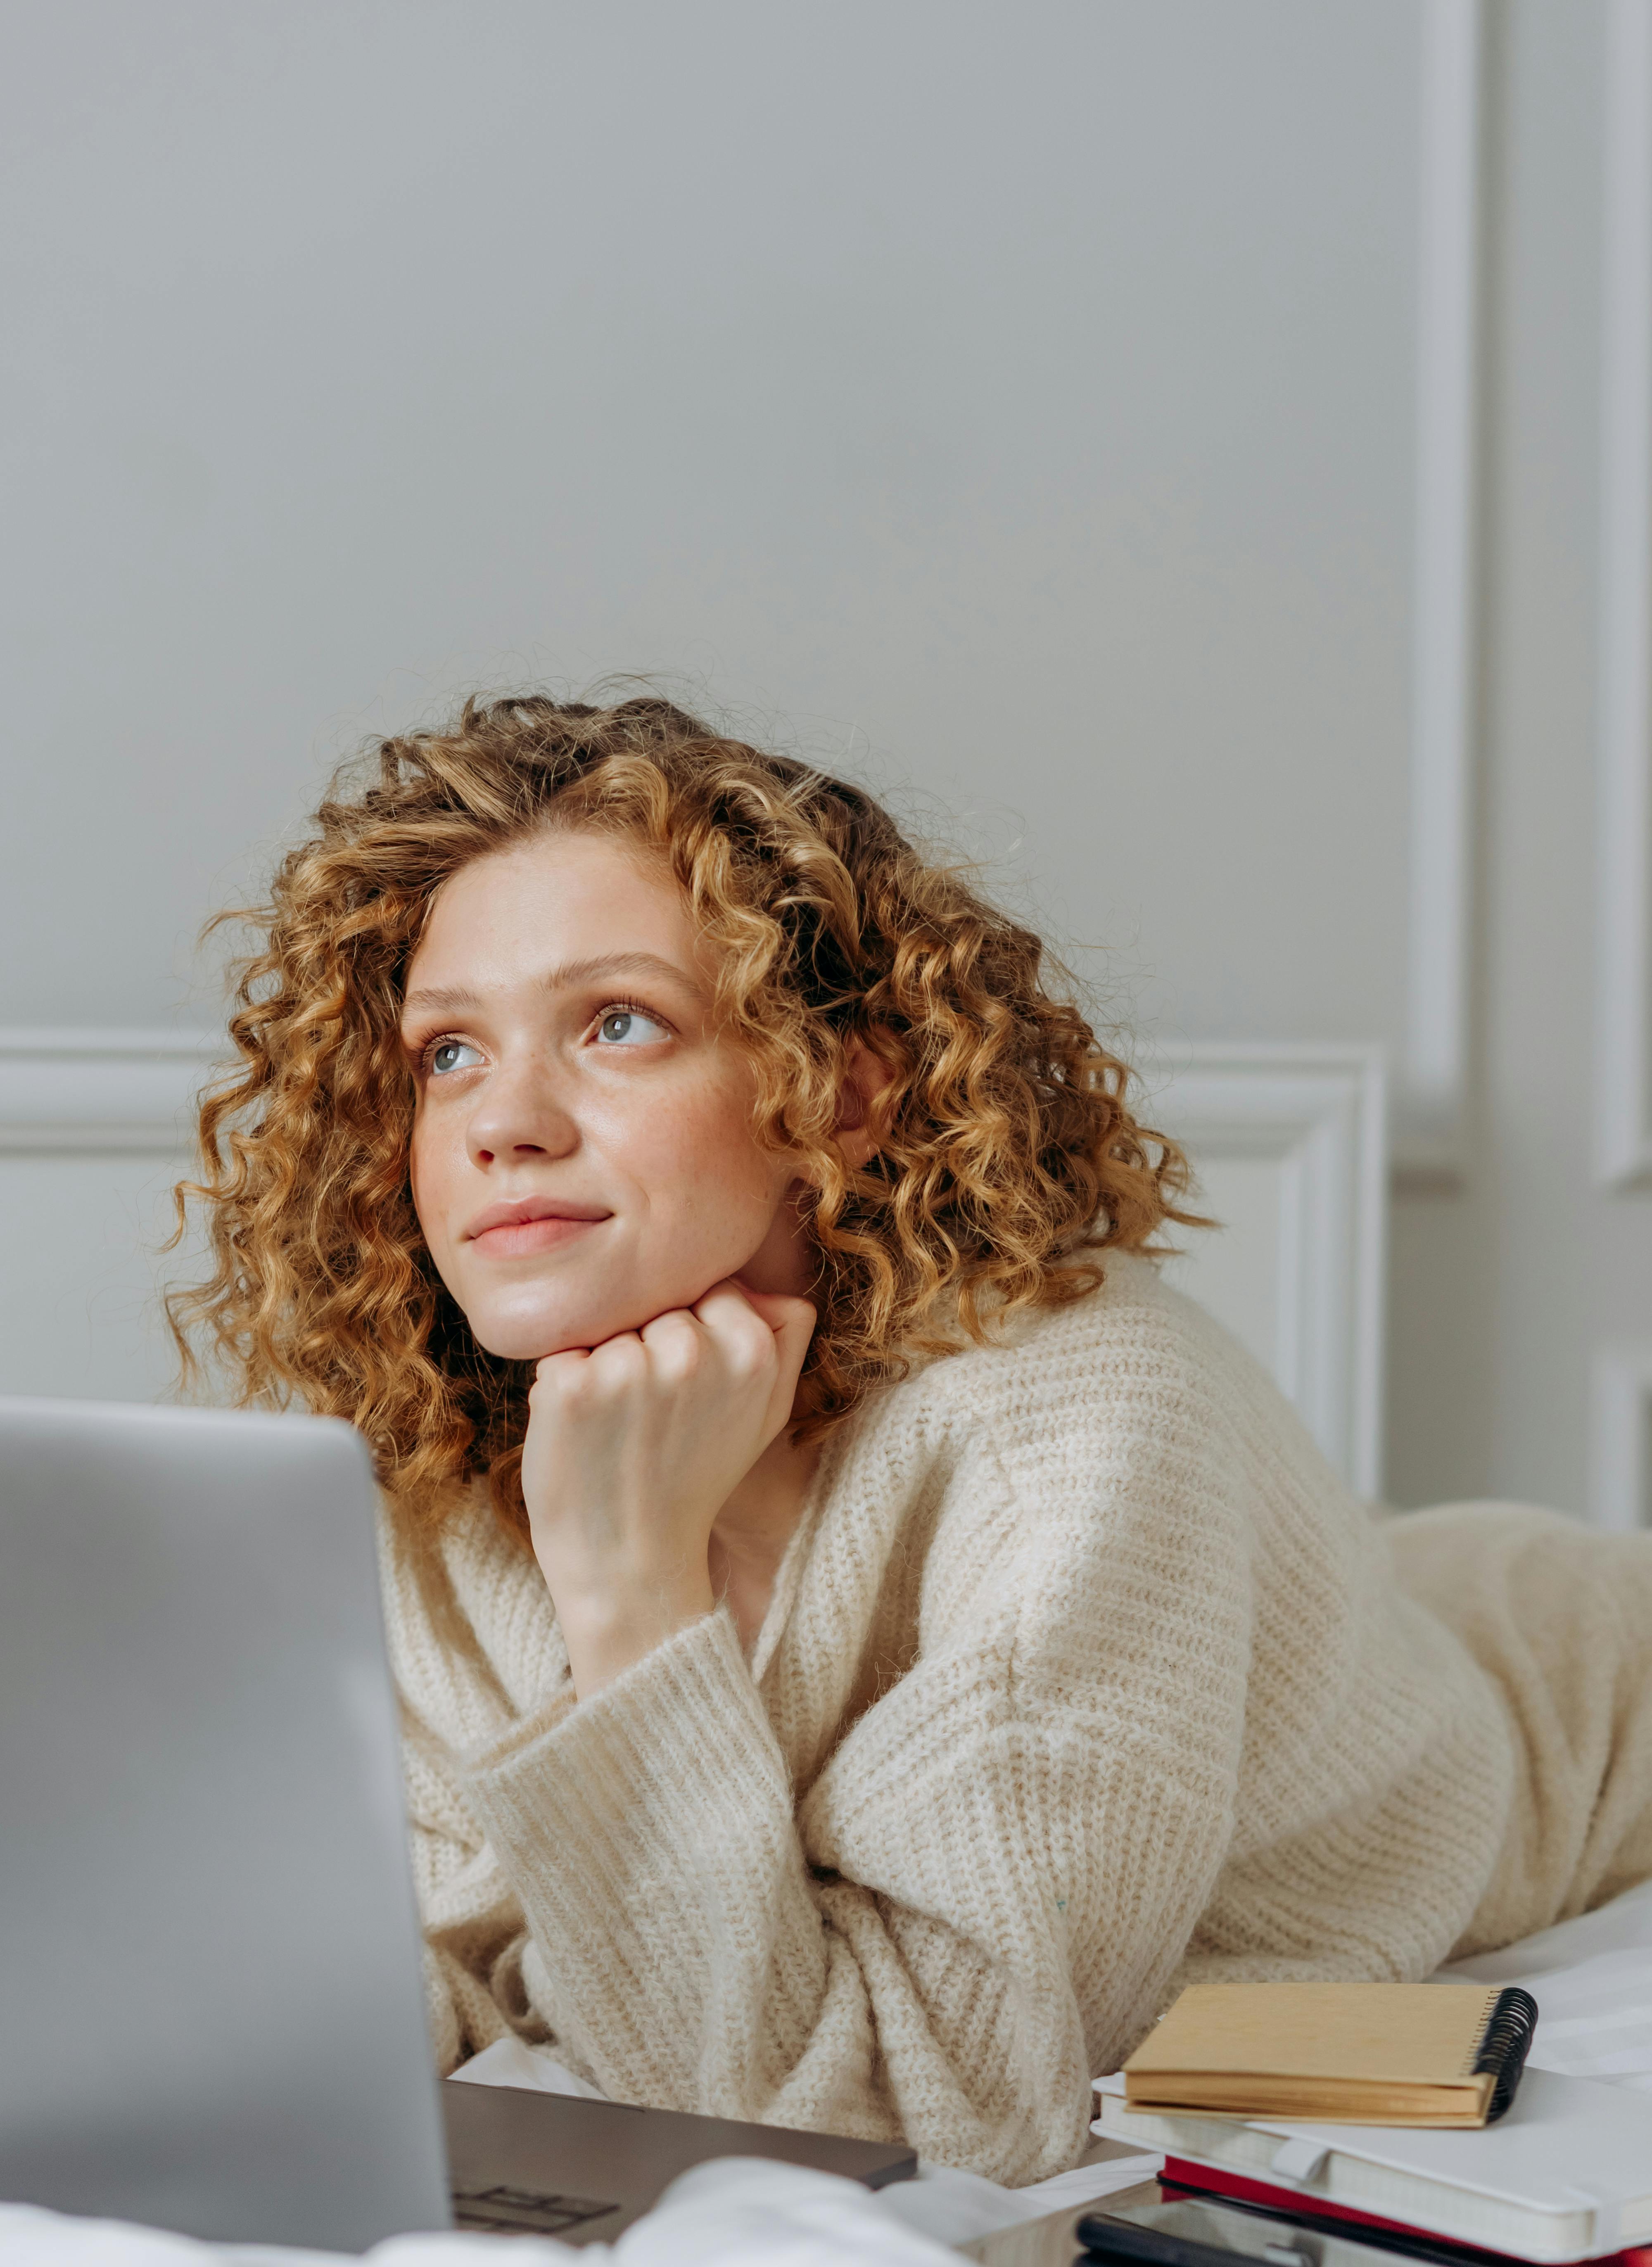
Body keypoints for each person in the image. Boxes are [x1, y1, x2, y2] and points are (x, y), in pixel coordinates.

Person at [172, 695, 1652, 2184]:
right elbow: (468, 1958)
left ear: (848, 1087)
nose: (505, 1124)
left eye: (618, 1024)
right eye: (446, 1055)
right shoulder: (440, 1478)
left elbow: (900, 2114)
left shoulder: (1070, 1435)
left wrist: (628, 1586)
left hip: (1582, 1697)